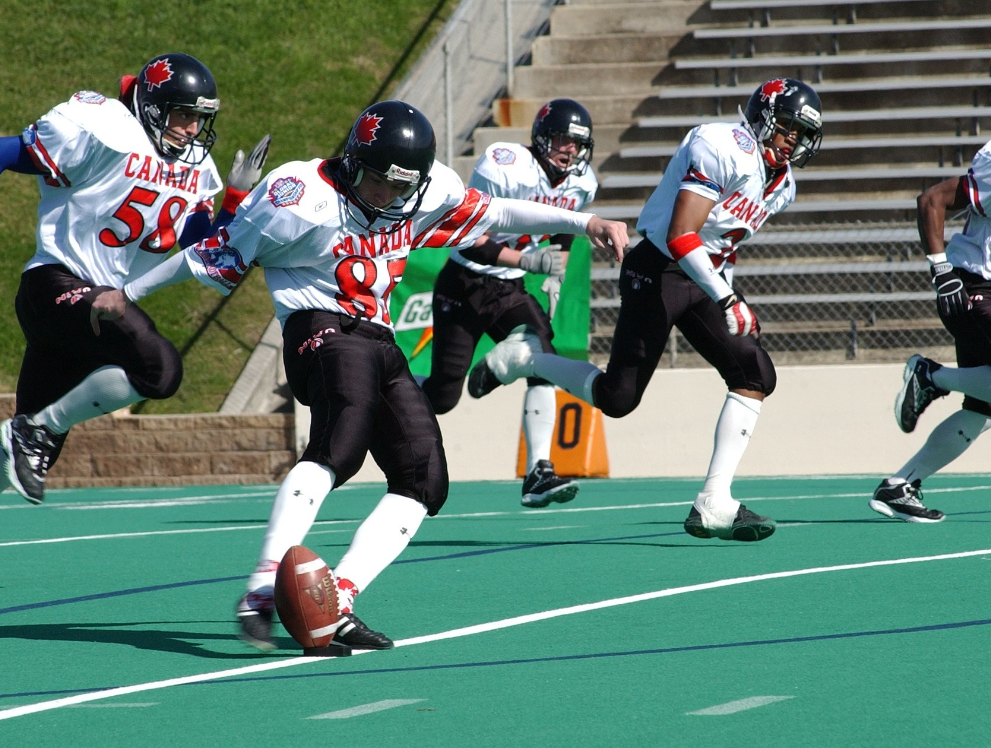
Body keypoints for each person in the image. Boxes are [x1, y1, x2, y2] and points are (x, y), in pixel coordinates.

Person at [91, 100, 628, 653]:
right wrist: (128, 292)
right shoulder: (298, 196)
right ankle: (260, 589)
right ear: (353, 161)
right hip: (317, 325)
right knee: (340, 444)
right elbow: (211, 253)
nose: (386, 195)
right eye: (377, 180)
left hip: (378, 335)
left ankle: (338, 600)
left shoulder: (430, 189)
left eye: (400, 186)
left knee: (425, 478)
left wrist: (585, 223)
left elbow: (498, 215)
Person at [469, 78, 824, 542]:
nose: (792, 140)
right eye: (787, 128)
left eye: (801, 134)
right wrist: (728, 299)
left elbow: (725, 244)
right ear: (762, 119)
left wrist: (725, 292)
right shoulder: (725, 145)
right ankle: (527, 359)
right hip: (658, 267)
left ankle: (714, 500)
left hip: (702, 276)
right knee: (618, 399)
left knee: (755, 373)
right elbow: (681, 234)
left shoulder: (782, 185)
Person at [0, 53, 270, 504]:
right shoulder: (104, 128)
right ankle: (34, 427)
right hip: (56, 287)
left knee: (19, 461)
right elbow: (10, 151)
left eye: (199, 119)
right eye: (184, 115)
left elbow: (200, 242)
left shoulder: (195, 168)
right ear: (151, 105)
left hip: (97, 309)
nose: (191, 129)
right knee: (159, 370)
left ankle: (32, 429)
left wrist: (236, 198)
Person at [421, 99, 598, 508]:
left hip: (509, 288)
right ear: (540, 138)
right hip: (464, 282)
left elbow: (564, 227)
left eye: (577, 143)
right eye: (561, 139)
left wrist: (556, 273)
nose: (569, 149)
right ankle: (394, 388)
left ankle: (539, 471)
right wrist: (527, 259)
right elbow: (470, 235)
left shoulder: (580, 183)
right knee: (443, 397)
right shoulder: (505, 165)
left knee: (544, 361)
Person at [874, 132, 991, 522]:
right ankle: (932, 376)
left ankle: (900, 486)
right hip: (969, 288)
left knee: (985, 409)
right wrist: (941, 270)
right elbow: (932, 200)